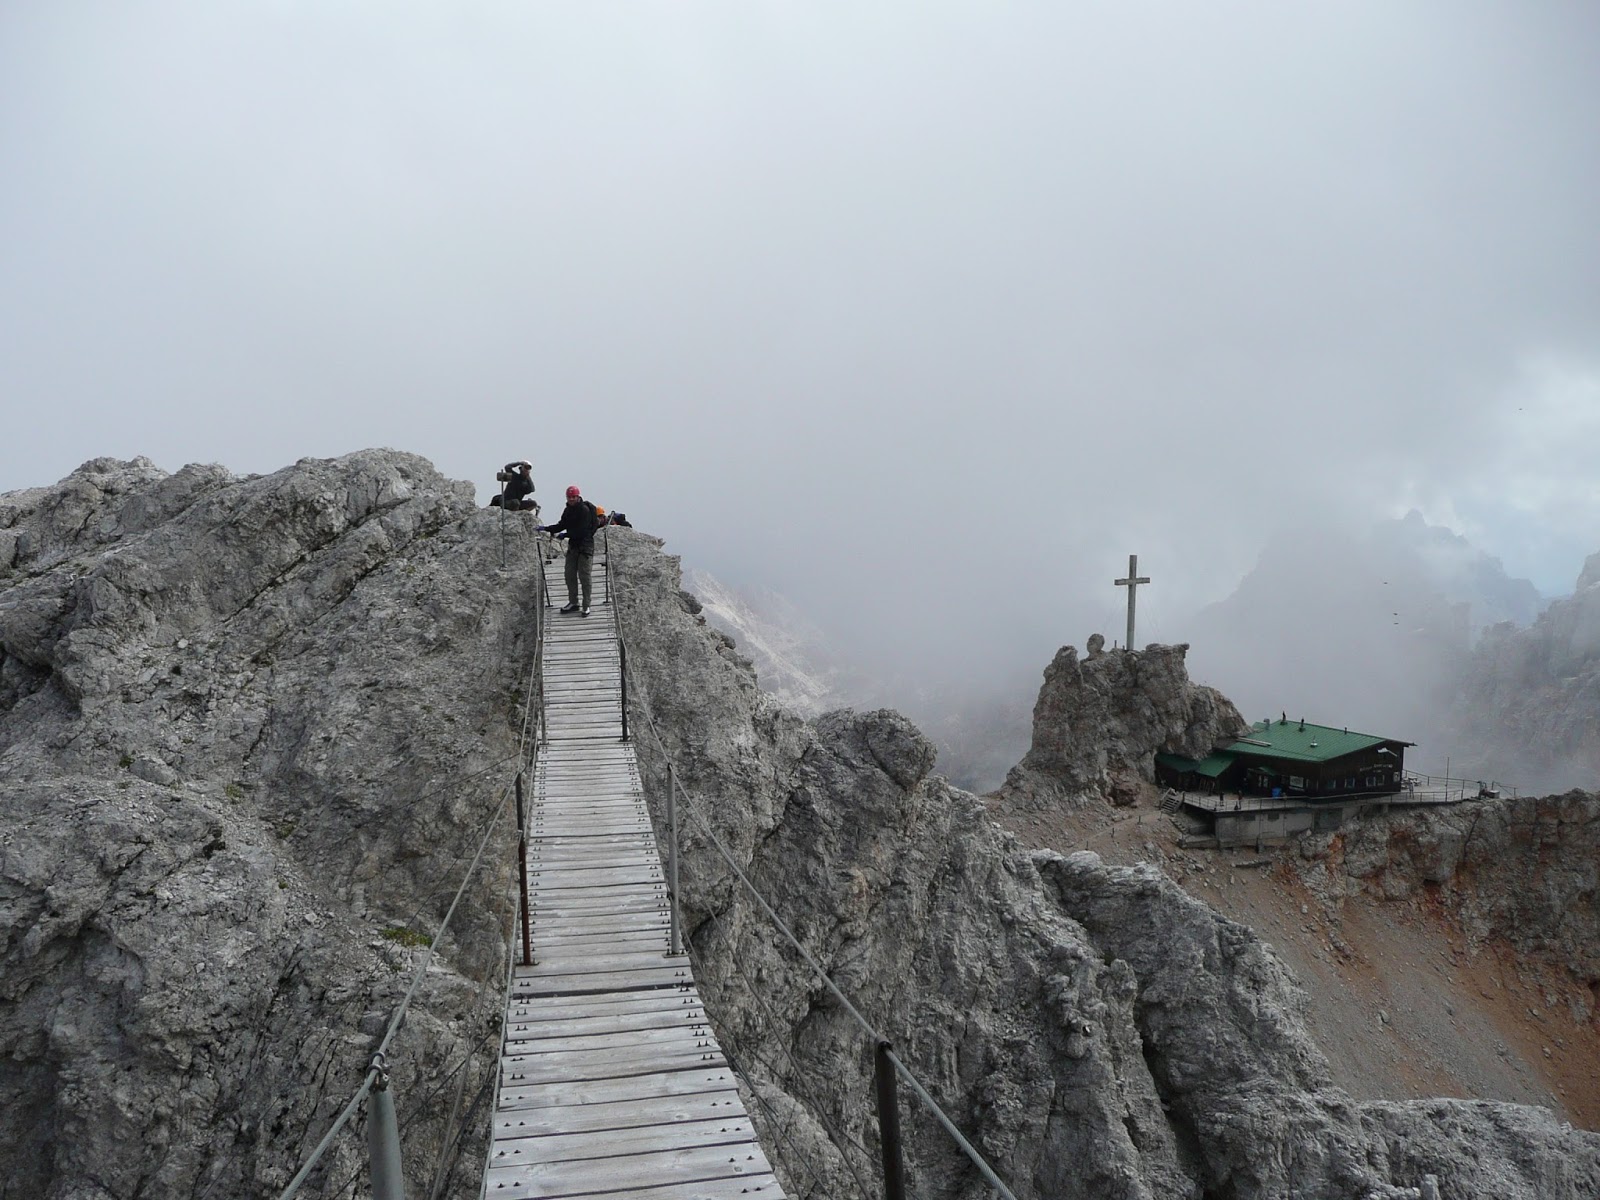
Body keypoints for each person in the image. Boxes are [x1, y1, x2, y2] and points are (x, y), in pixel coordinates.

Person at [539, 484, 599, 615]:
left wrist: (565, 535)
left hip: (585, 546)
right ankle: (573, 602)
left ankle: (586, 605)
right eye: (569, 497)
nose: (571, 499)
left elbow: (582, 531)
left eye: (573, 497)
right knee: (569, 575)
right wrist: (546, 528)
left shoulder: (584, 510)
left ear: (578, 496)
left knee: (584, 576)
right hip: (573, 546)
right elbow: (562, 525)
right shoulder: (568, 511)